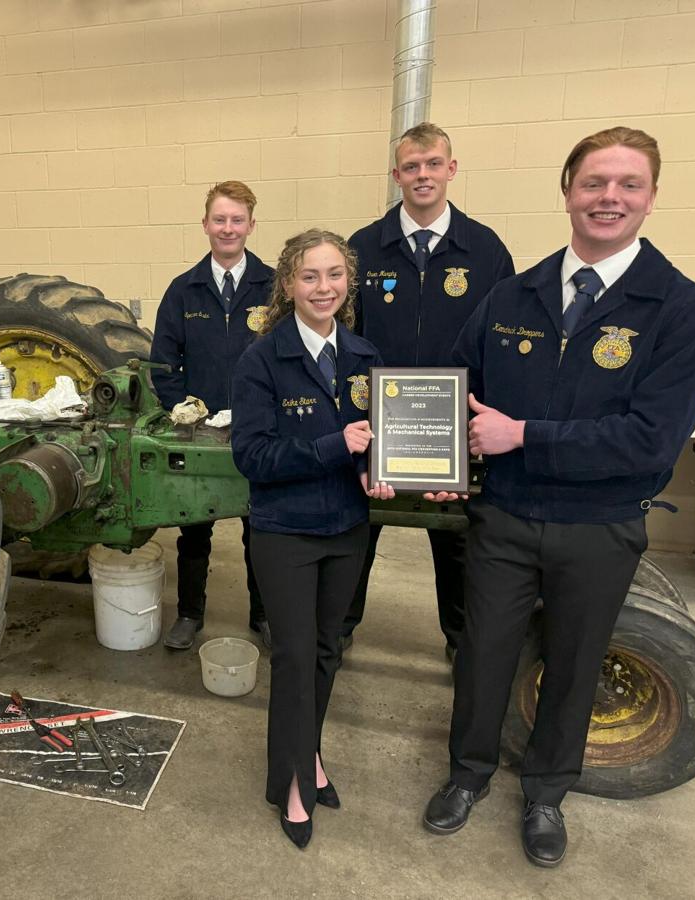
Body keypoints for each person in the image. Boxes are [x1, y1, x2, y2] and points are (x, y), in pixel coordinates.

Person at [422, 127, 695, 867]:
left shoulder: (678, 308)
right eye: (594, 183)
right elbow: (459, 392)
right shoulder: (511, 295)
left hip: (600, 527)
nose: (609, 198)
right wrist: (422, 454)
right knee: (482, 656)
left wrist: (525, 435)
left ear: (651, 197)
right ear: (567, 192)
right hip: (505, 519)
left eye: (628, 185)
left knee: (574, 662)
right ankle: (468, 775)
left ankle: (548, 793)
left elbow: (649, 441)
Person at [231, 229, 394, 849]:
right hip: (286, 533)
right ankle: (293, 781)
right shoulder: (261, 361)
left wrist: (372, 472)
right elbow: (254, 456)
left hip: (348, 529)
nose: (322, 288)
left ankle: (311, 753)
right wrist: (337, 446)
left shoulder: (365, 356)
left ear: (348, 282)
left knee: (328, 652)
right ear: (287, 285)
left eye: (333, 275)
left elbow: (375, 441)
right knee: (296, 659)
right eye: (309, 277)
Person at [343, 122, 514, 661]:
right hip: (375, 427)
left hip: (453, 434)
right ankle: (338, 632)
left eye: (433, 164)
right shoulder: (363, 248)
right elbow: (341, 339)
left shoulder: (486, 251)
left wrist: (480, 428)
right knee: (355, 537)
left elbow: (502, 347)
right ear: (397, 175)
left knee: (458, 545)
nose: (423, 175)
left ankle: (461, 644)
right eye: (411, 167)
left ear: (451, 169)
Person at [151, 181, 274, 651]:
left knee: (259, 529)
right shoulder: (184, 291)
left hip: (256, 431)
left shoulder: (273, 286)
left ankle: (263, 615)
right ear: (205, 225)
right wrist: (181, 413)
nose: (228, 228)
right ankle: (188, 615)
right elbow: (164, 362)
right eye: (219, 219)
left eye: (237, 219)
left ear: (251, 225)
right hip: (199, 433)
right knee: (194, 529)